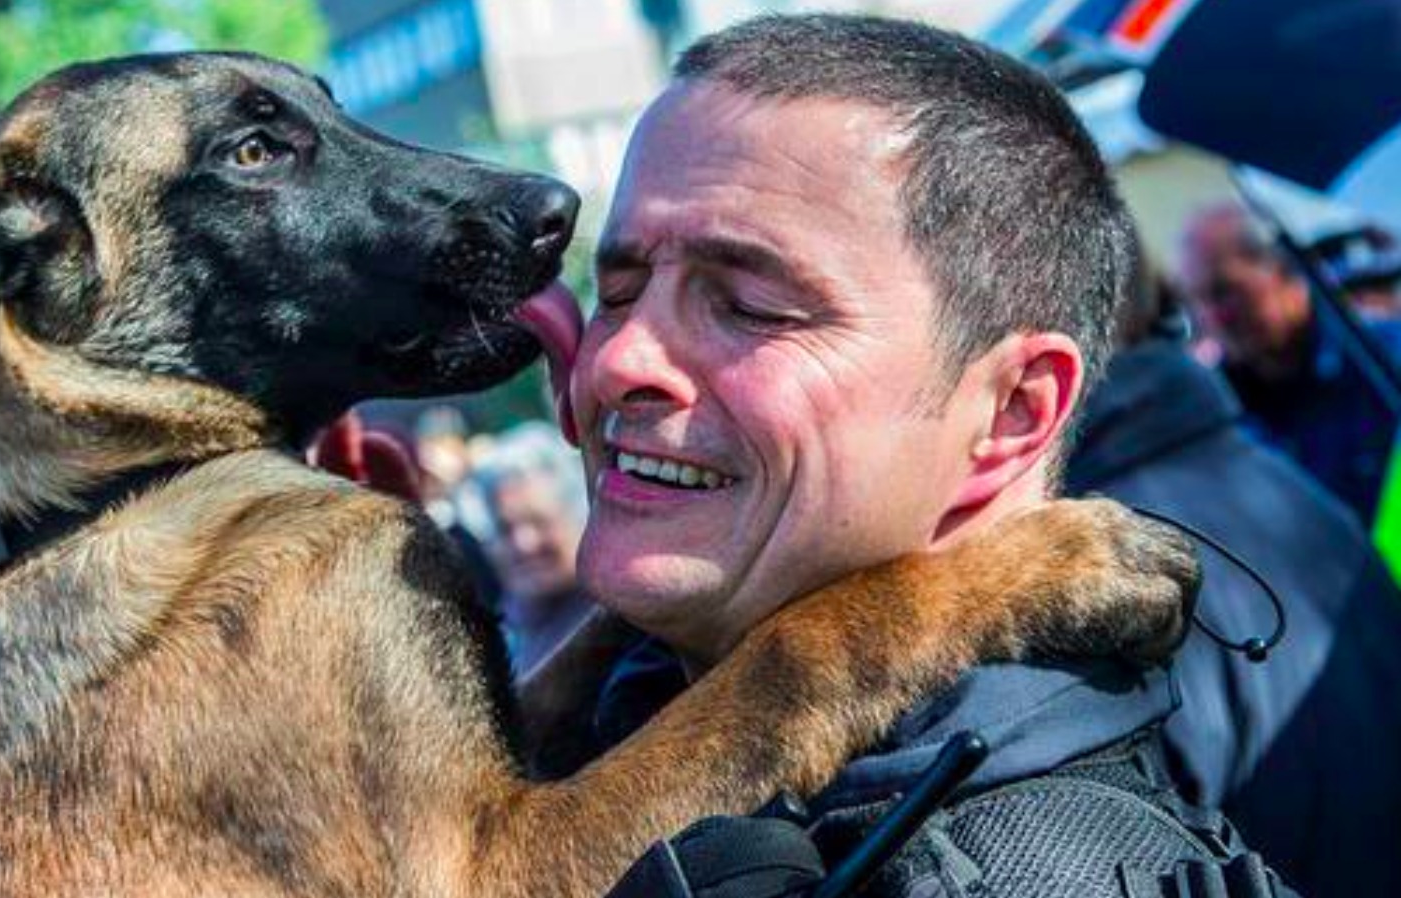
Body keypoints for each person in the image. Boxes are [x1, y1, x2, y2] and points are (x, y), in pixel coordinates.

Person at [551, 14, 1293, 897]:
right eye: (619, 291)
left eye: (752, 306)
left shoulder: (1035, 873)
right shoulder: (610, 714)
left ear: (1013, 411)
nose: (618, 360)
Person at [1066, 271, 1401, 897]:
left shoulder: (1099, 587)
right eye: (1211, 296)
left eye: (1231, 292)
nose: (1224, 315)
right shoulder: (1297, 487)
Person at [1178, 202, 1401, 525]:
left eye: (1225, 291)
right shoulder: (1217, 411)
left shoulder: (1381, 356)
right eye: (1195, 300)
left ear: (1282, 268)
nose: (1215, 316)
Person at [473, 422, 594, 676]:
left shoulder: (625, 622)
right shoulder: (500, 629)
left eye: (539, 521)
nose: (523, 544)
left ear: (581, 512)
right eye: (505, 529)